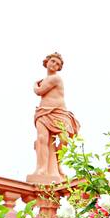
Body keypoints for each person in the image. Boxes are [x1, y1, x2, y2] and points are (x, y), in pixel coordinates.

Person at [32, 52, 79, 181]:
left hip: (59, 113)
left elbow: (39, 91)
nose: (55, 65)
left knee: (64, 140)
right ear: (46, 62)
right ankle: (41, 168)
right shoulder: (45, 80)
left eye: (58, 64)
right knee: (42, 139)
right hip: (43, 112)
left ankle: (58, 165)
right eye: (53, 61)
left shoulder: (55, 79)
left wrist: (35, 85)